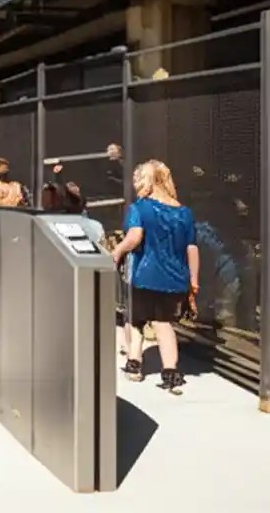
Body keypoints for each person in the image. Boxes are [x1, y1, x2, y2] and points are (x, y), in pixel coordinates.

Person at [109, 160, 200, 392]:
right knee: (163, 323)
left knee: (135, 320)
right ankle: (170, 372)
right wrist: (193, 281)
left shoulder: (140, 208)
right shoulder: (184, 212)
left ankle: (134, 364)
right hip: (175, 279)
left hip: (144, 275)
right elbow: (192, 248)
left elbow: (135, 237)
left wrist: (118, 250)